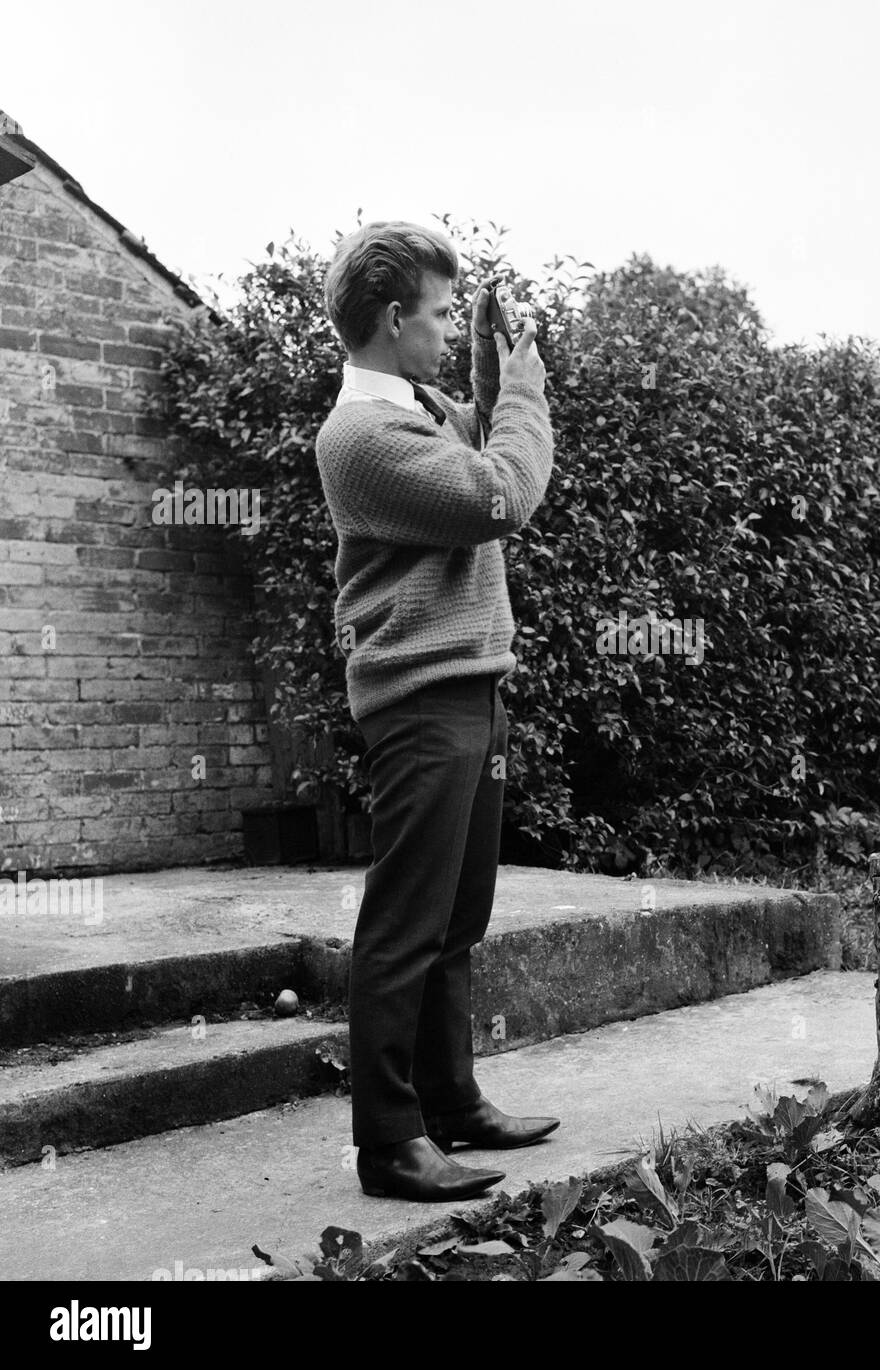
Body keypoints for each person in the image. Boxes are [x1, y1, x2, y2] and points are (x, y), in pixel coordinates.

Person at [315, 221, 559, 1202]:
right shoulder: (363, 436)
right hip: (419, 697)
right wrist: (529, 390)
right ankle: (388, 1138)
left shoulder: (417, 407)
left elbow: (482, 431)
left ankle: (451, 1099)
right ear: (389, 317)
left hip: (470, 683)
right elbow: (503, 491)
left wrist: (490, 364)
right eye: (442, 310)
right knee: (405, 921)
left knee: (457, 915)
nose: (450, 320)